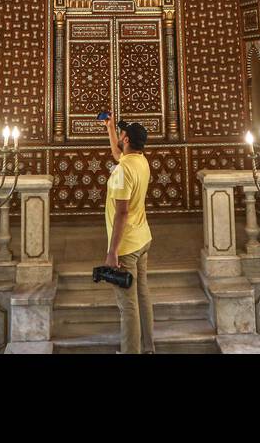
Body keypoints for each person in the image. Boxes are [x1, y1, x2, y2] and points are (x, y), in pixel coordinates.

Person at [98, 111, 154, 354]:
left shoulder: (123, 171)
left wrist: (113, 252)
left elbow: (121, 213)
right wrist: (110, 128)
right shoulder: (140, 161)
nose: (120, 137)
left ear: (128, 140)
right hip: (143, 239)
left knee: (128, 306)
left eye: (122, 134)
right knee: (142, 296)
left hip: (127, 247)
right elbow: (117, 154)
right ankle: (148, 348)